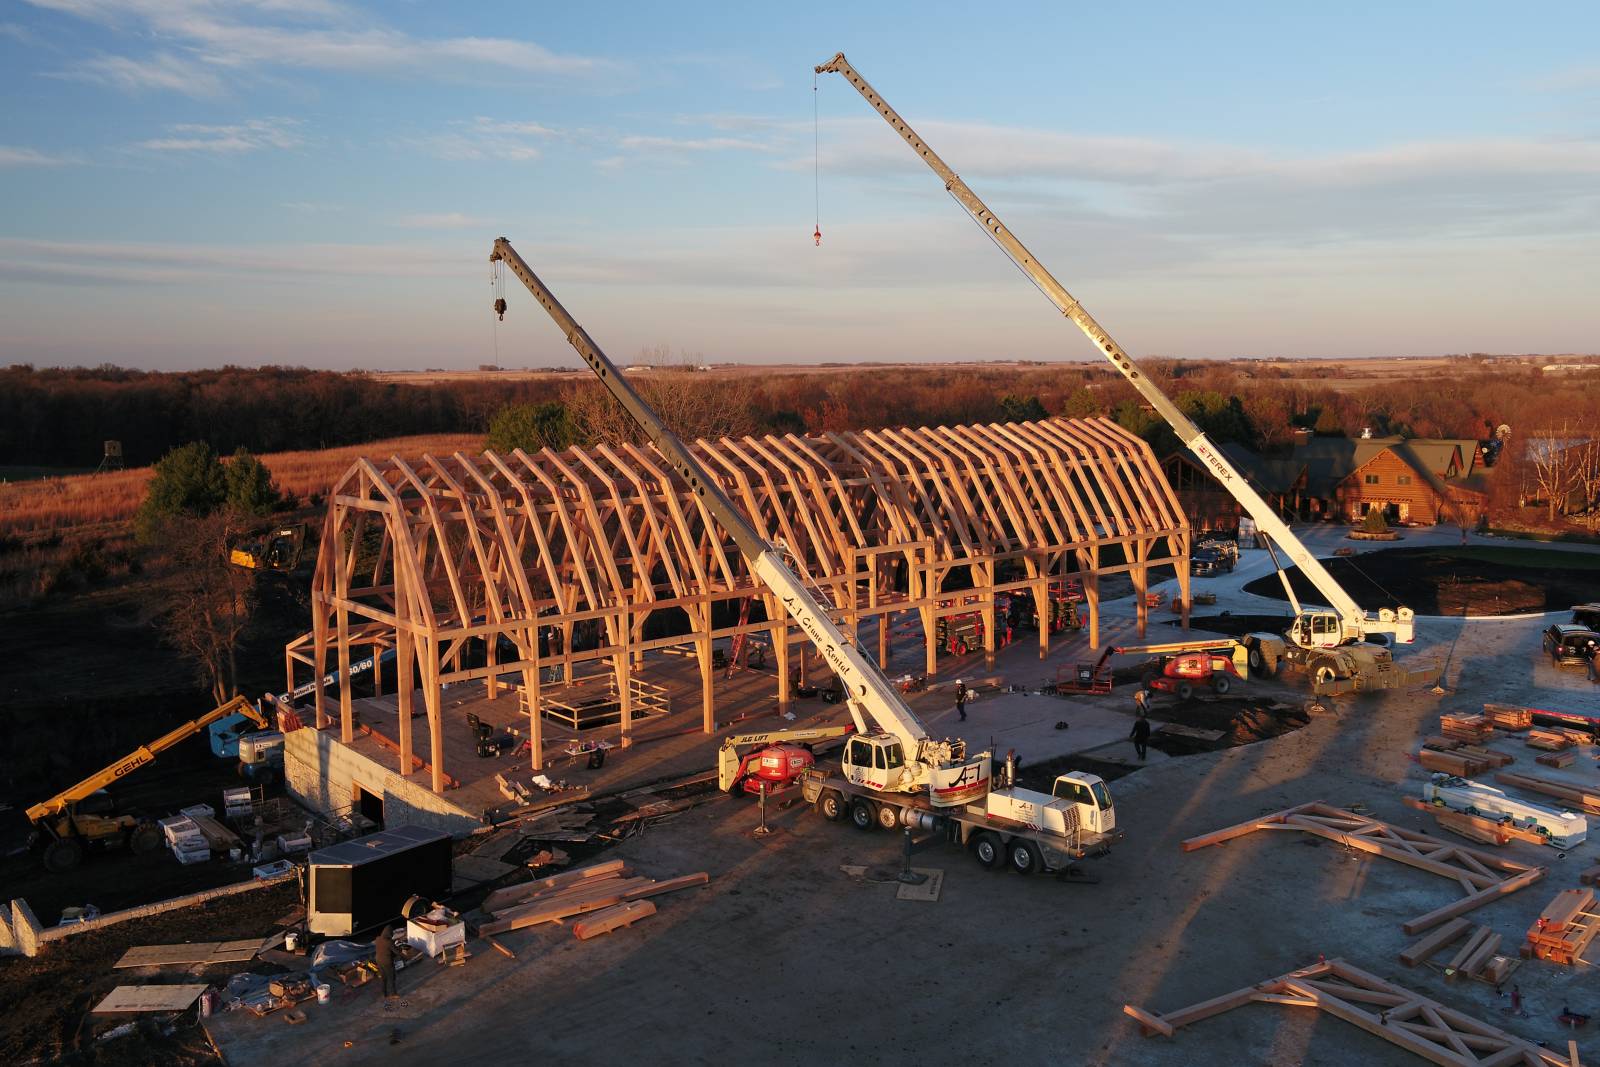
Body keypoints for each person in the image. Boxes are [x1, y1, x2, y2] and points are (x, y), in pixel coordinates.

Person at [375, 925, 397, 999]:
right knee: (391, 977)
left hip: (378, 960)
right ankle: (393, 994)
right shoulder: (389, 942)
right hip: (387, 962)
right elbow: (396, 952)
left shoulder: (377, 939)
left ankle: (384, 993)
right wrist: (404, 956)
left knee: (383, 978)